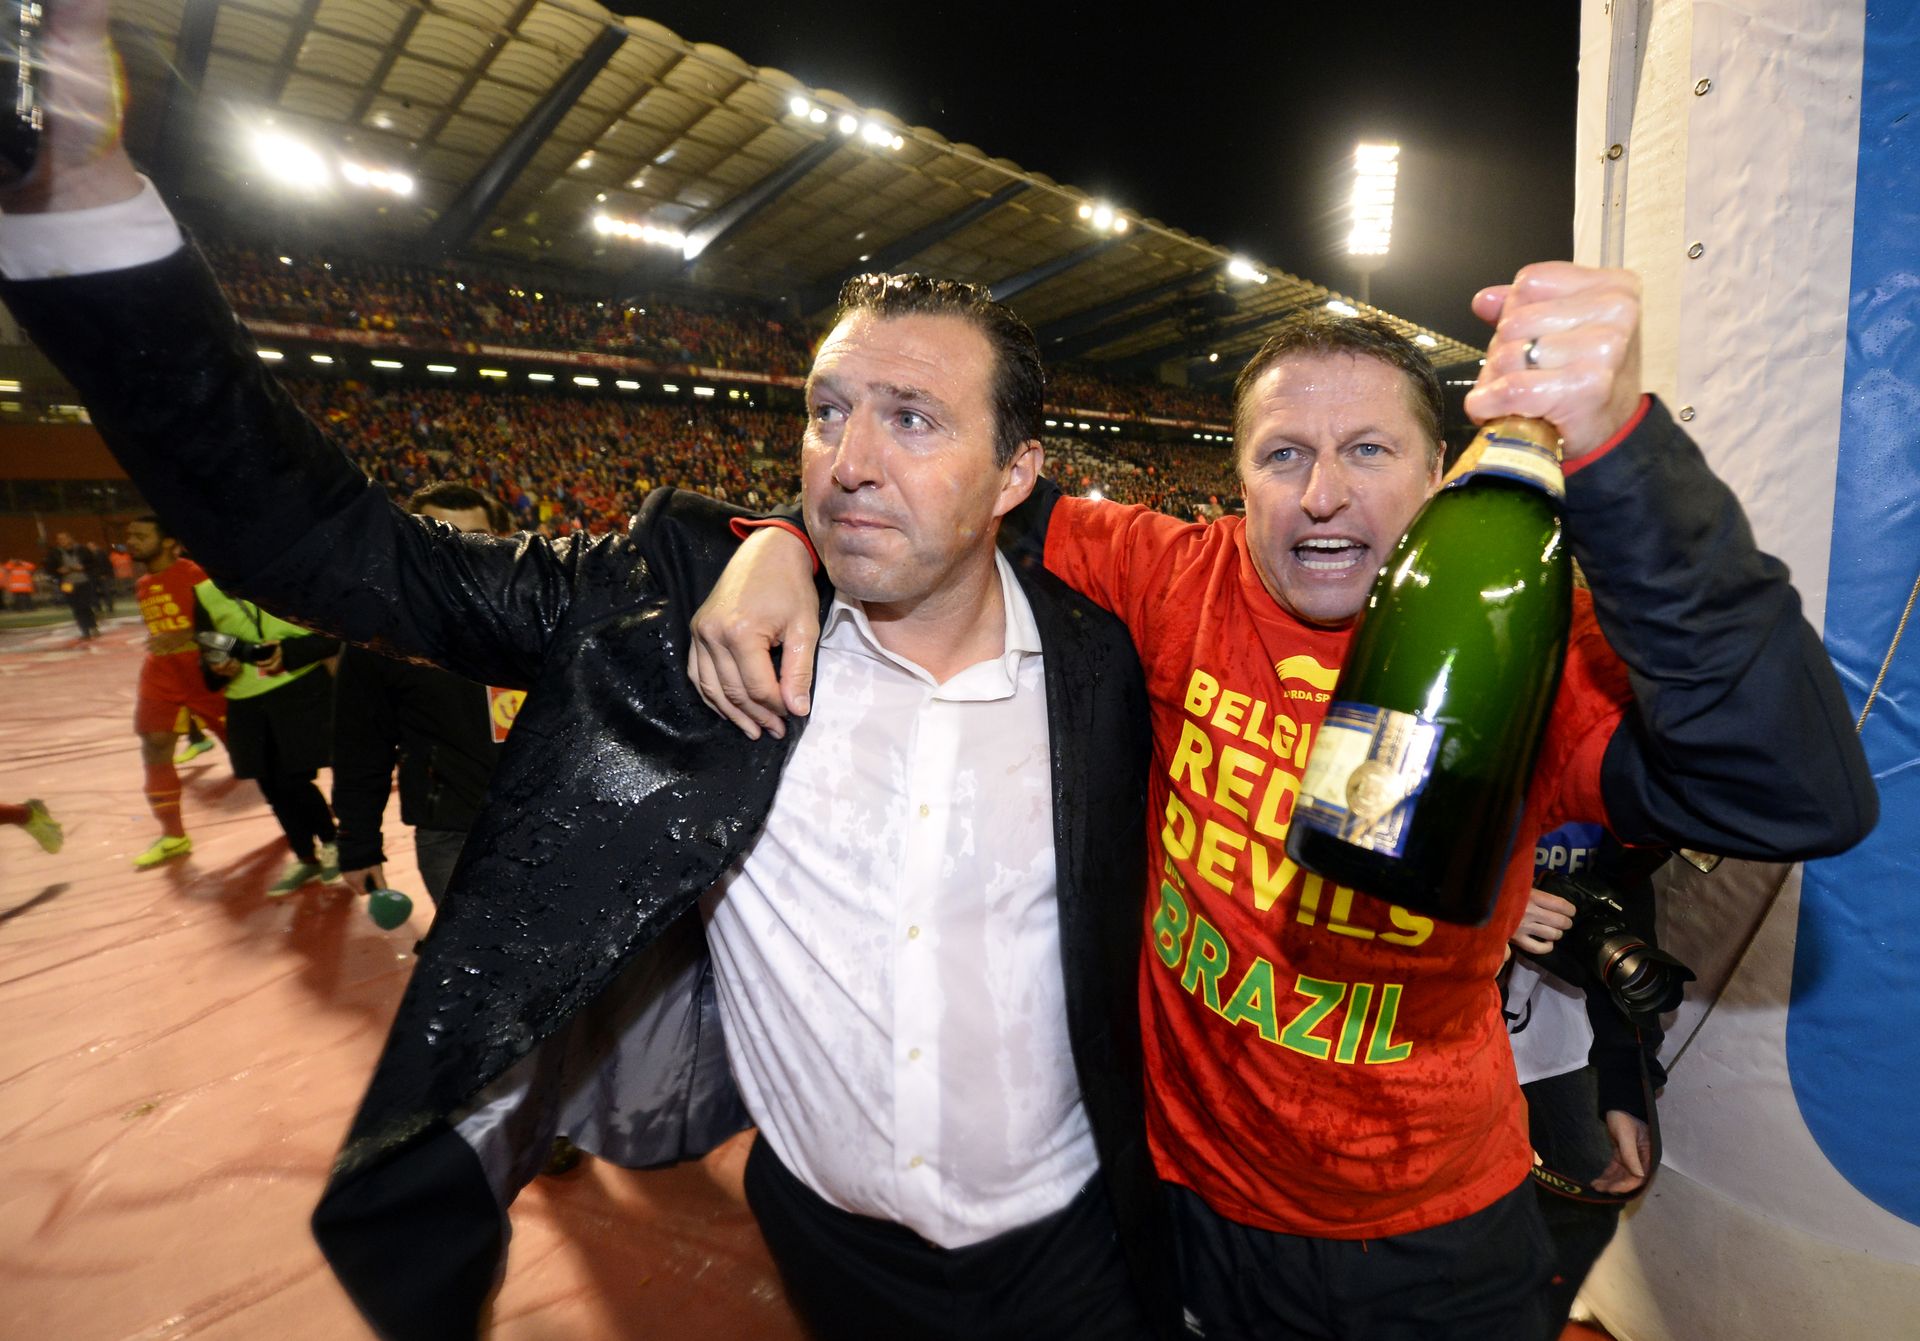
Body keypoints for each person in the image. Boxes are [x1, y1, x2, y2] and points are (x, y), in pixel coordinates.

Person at [0, 40, 1178, 1338]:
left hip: (1086, 1239)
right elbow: (324, 543)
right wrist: (84, 204)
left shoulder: (1104, 661)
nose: (843, 461)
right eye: (825, 408)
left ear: (1017, 475)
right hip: (832, 1249)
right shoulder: (668, 624)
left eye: (912, 418)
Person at [689, 297, 1879, 1336]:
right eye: (1282, 454)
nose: (1322, 494)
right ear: (1237, 480)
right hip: (1193, 1206)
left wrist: (1624, 454)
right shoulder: (1169, 576)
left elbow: (1799, 792)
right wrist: (780, 540)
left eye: (1368, 449)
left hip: (1430, 1232)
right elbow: (913, 493)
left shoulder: (1531, 650)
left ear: (1439, 475)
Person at [1507, 827, 1671, 1329]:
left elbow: (1622, 925)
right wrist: (1491, 905)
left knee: (1589, 1185)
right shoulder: (1460, 756)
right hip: (1426, 1008)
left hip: (1548, 1003)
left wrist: (1626, 1088)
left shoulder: (1621, 780)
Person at [331, 483, 516, 905]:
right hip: (453, 835)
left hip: (552, 824)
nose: (459, 552)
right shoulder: (380, 634)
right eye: (440, 536)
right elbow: (360, 745)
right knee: (475, 964)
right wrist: (357, 844)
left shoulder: (535, 616)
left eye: (475, 539)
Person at [194, 576, 344, 895]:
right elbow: (207, 648)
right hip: (245, 702)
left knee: (294, 779)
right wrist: (216, 669)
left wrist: (288, 652)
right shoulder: (205, 593)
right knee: (270, 786)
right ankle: (305, 857)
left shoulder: (284, 575)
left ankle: (332, 843)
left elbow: (332, 636)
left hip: (299, 690)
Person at [124, 513, 231, 868]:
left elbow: (227, 625)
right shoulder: (143, 585)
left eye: (141, 535)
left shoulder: (195, 574)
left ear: (169, 541)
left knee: (254, 756)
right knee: (154, 746)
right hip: (161, 674)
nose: (132, 542)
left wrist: (185, 636)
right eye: (130, 536)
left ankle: (310, 823)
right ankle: (174, 836)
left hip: (205, 673)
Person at [42, 530, 97, 639]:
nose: (61, 541)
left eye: (64, 538)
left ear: (70, 538)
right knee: (75, 606)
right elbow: (48, 568)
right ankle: (84, 630)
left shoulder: (82, 549)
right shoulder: (55, 553)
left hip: (83, 581)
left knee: (85, 605)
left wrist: (83, 567)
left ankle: (92, 626)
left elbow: (93, 563)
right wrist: (58, 571)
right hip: (67, 584)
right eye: (59, 539)